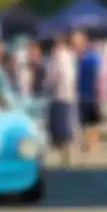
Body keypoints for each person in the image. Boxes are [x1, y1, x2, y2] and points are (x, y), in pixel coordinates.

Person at [42, 36, 78, 166]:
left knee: (61, 128)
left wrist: (47, 85)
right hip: (66, 96)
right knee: (65, 126)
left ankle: (64, 154)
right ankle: (65, 154)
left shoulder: (58, 57)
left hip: (60, 96)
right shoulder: (69, 56)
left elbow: (55, 76)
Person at [73, 30, 107, 154]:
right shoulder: (79, 58)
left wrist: (100, 96)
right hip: (82, 97)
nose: (75, 46)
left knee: (92, 126)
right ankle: (88, 149)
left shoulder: (91, 58)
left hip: (91, 97)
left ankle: (92, 149)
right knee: (85, 125)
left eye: (77, 43)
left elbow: (98, 78)